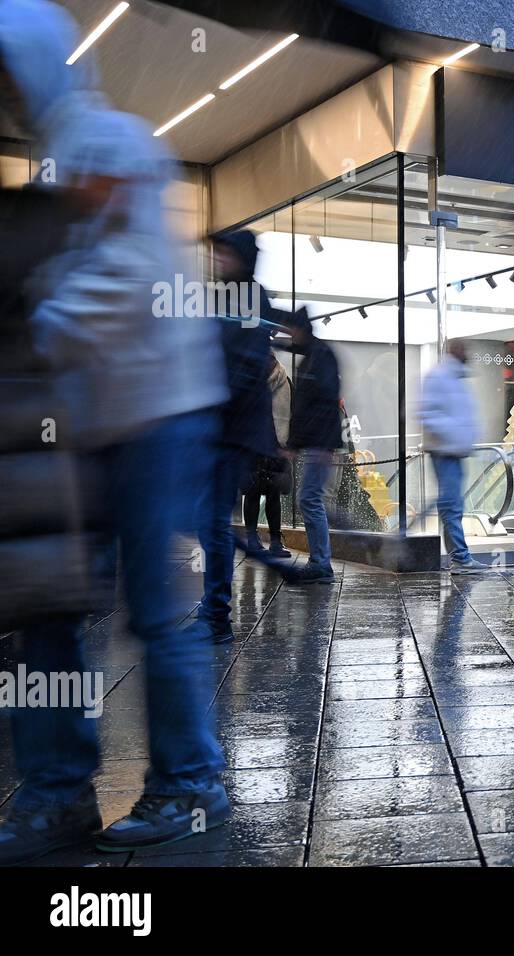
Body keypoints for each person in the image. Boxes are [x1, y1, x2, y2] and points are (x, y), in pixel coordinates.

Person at [0, 0, 231, 863]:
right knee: (50, 610)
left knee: (156, 609)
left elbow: (128, 272)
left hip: (155, 411)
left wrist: (45, 325)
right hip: (87, 424)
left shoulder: (114, 141)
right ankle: (57, 792)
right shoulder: (59, 155)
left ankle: (189, 780)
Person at [186, 229, 278, 643]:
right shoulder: (225, 297)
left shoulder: (252, 298)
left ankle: (217, 617)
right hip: (222, 427)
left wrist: (212, 402)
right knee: (211, 521)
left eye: (224, 254)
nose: (218, 260)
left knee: (213, 521)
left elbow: (242, 366)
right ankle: (215, 612)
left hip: (231, 429)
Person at [280, 308, 341, 584]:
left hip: (320, 441)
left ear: (300, 329)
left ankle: (321, 562)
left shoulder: (319, 357)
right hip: (318, 440)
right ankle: (320, 560)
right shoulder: (314, 356)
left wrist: (296, 442)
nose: (288, 336)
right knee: (311, 497)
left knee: (310, 498)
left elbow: (314, 404)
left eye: (290, 330)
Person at [420, 337, 488, 573]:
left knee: (452, 504)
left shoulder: (455, 378)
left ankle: (459, 556)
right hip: (445, 451)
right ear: (455, 350)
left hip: (454, 451)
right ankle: (460, 558)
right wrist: (454, 436)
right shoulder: (440, 377)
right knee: (451, 504)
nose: (466, 352)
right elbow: (427, 413)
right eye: (463, 348)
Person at [243, 355, 292, 559]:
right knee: (252, 491)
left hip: (275, 444)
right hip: (253, 443)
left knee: (273, 493)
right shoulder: (250, 382)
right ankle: (253, 539)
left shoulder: (283, 382)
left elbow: (292, 412)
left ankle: (275, 540)